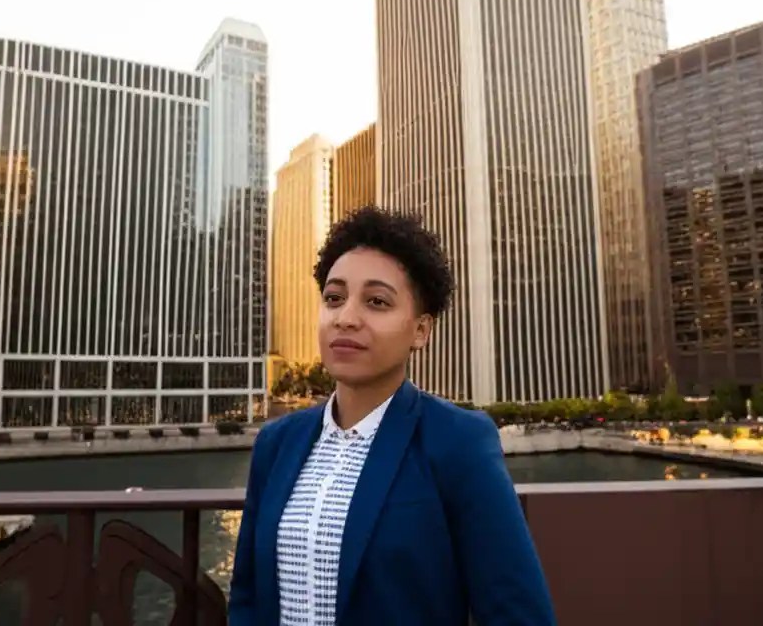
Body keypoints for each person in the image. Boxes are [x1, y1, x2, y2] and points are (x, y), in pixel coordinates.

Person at [229, 206, 555, 625]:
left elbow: (517, 613)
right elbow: (248, 597)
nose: (346, 318)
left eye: (377, 302)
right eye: (334, 298)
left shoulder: (457, 441)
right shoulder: (276, 443)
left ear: (421, 330)